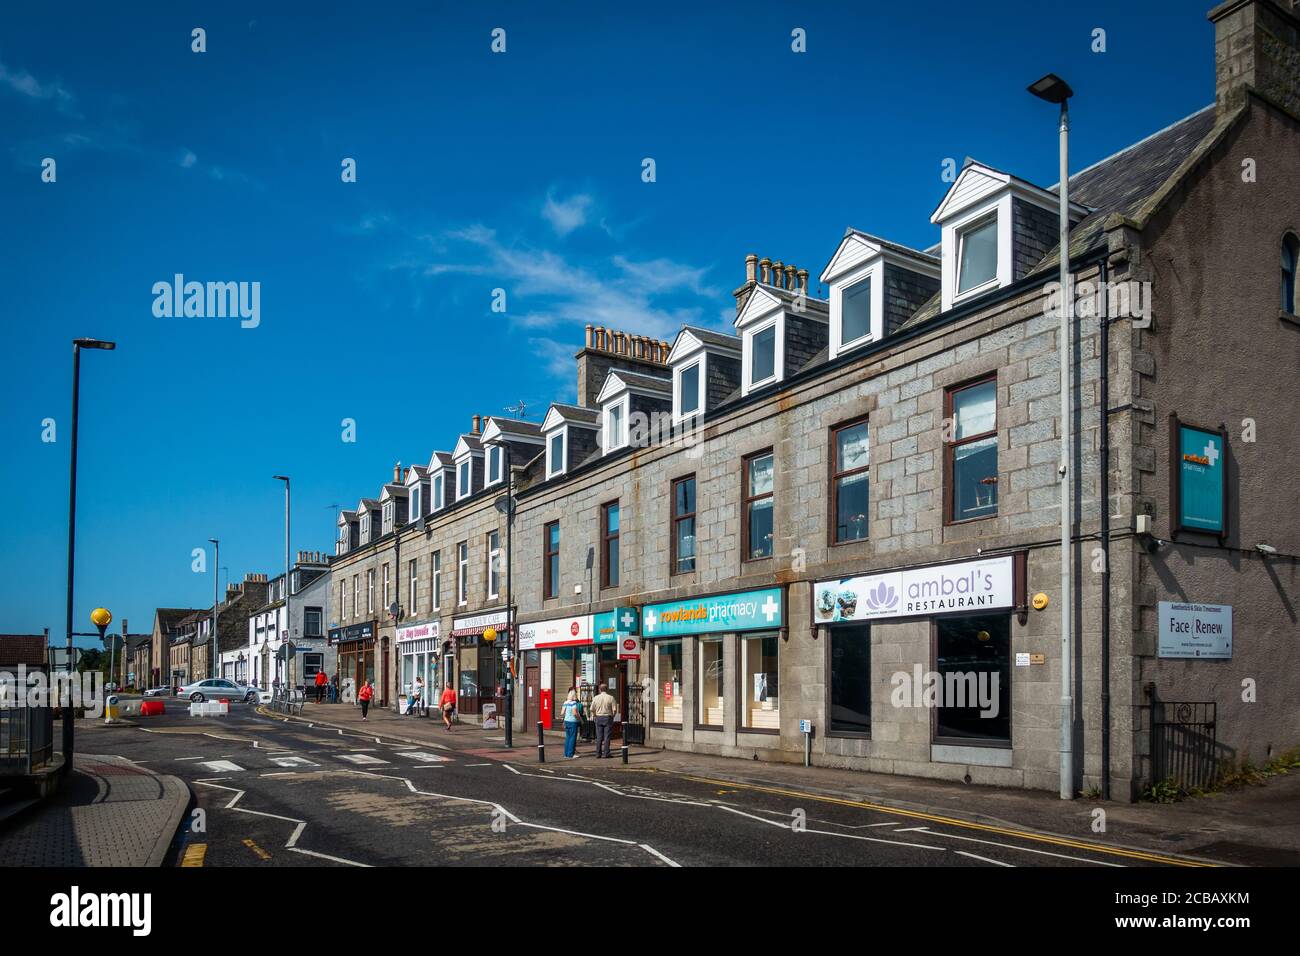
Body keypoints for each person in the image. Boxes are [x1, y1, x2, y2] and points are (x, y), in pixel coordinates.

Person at [590, 682, 617, 758]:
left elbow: (591, 709)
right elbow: (614, 710)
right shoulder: (611, 698)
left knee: (599, 737)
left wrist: (595, 715)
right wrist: (612, 716)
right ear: (606, 689)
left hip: (598, 717)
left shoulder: (596, 698)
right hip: (607, 717)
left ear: (600, 690)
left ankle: (598, 754)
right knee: (607, 737)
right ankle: (606, 753)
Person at [561, 689, 584, 759]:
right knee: (573, 738)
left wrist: (565, 718)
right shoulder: (573, 703)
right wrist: (580, 720)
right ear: (574, 695)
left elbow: (562, 713)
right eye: (576, 695)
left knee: (568, 738)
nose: (577, 696)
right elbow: (575, 713)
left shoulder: (565, 702)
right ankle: (571, 754)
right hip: (573, 722)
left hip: (566, 721)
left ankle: (566, 754)